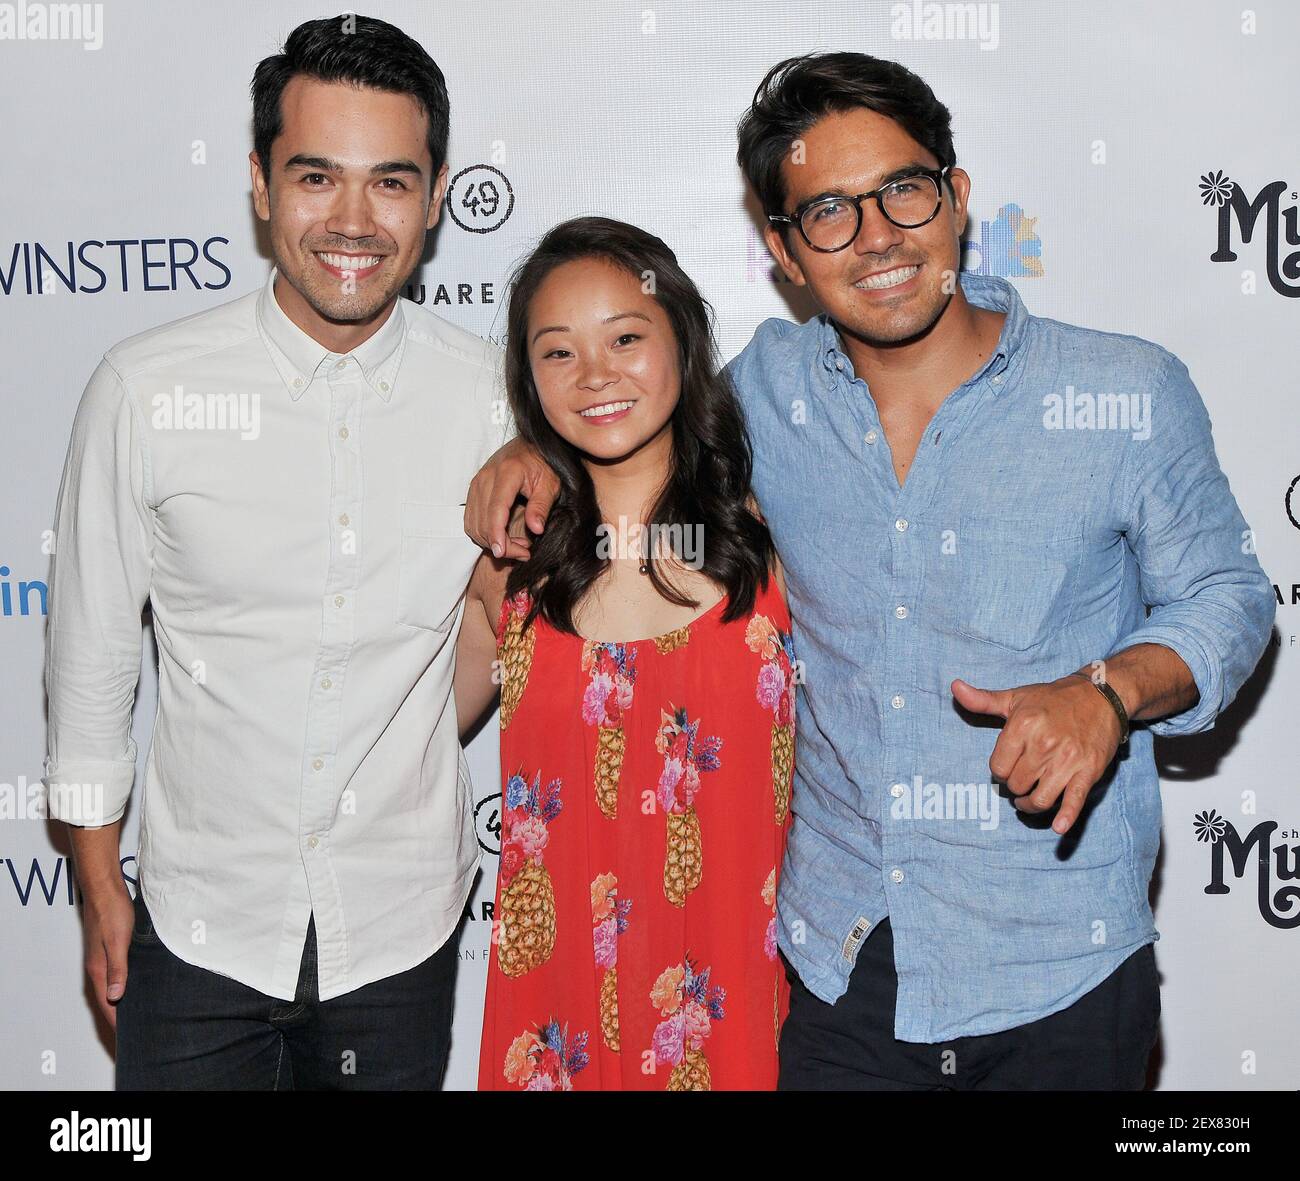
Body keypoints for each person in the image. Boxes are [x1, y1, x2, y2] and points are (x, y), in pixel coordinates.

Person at [463, 52, 1276, 1090]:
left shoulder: (1122, 392)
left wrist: (1108, 689)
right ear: (785, 251)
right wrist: (528, 453)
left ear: (956, 196)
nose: (878, 236)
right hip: (838, 980)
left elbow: (1232, 595)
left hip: (1057, 972)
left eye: (902, 189)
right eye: (829, 211)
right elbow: (628, 405)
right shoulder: (766, 392)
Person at [43, 14, 507, 1089]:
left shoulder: (494, 397)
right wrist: (101, 887)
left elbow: (508, 624)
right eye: (315, 176)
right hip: (197, 927)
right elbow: (90, 662)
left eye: (391, 182)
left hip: (401, 928)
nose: (352, 220)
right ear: (258, 184)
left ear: (437, 198)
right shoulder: (146, 389)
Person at [455, 217, 793, 1090]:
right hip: (558, 1026)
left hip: (746, 1016)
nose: (596, 375)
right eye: (558, 352)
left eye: (627, 338)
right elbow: (393, 741)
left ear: (682, 338)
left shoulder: (778, 542)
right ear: (528, 380)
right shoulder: (508, 573)